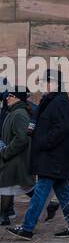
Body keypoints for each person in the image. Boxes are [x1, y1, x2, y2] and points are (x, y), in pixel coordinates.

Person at [6, 80, 69, 239]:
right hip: (52, 158)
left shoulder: (60, 102)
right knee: (63, 194)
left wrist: (43, 142)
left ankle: (27, 228)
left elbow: (61, 128)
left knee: (39, 194)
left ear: (56, 84)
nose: (43, 86)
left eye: (47, 82)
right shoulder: (49, 101)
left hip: (53, 157)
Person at [0, 85, 34, 226]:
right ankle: (4, 216)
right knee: (19, 186)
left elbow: (22, 138)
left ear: (17, 98)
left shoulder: (19, 113)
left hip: (15, 158)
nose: (7, 98)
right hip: (13, 157)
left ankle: (4, 216)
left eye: (10, 96)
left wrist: (6, 152)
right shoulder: (14, 112)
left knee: (8, 186)